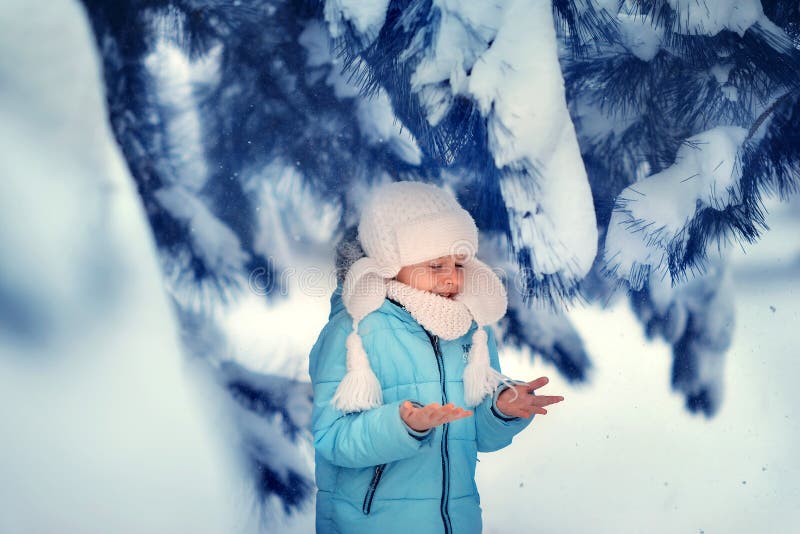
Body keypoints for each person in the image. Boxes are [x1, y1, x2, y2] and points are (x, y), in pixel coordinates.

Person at [309, 181, 563, 533]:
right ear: (390, 264)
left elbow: (476, 435)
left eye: (458, 265)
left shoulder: (469, 329)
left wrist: (500, 409)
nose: (451, 280)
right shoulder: (356, 333)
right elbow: (332, 439)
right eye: (435, 266)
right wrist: (403, 425)